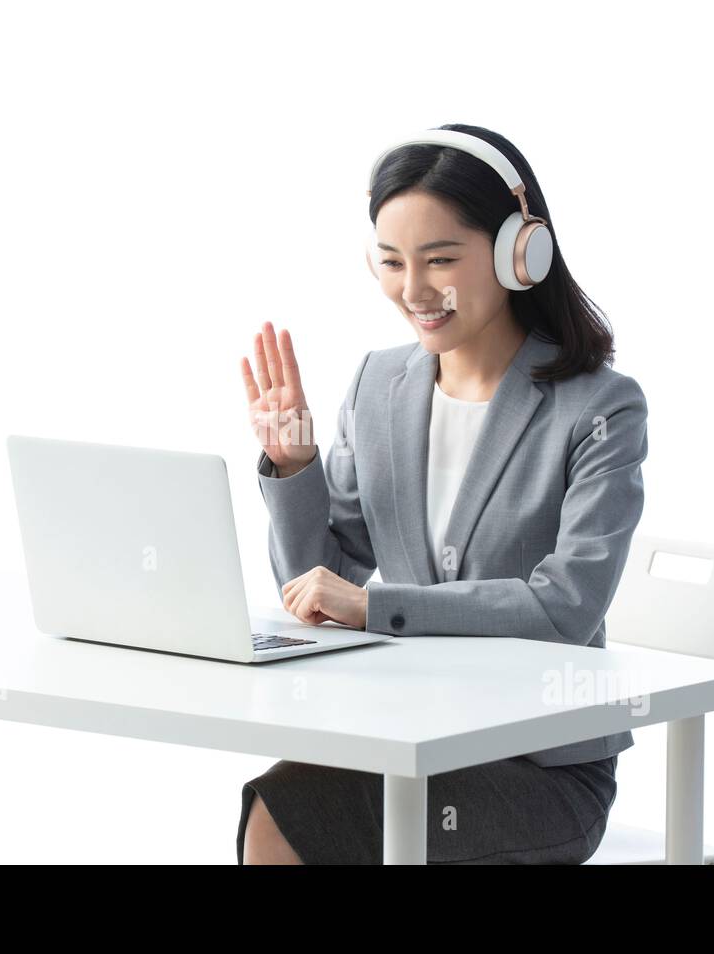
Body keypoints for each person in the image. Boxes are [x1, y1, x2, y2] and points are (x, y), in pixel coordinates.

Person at [235, 124, 647, 864]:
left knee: (293, 811)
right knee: (284, 800)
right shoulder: (378, 385)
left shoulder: (600, 407)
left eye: (441, 260)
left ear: (522, 252)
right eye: (392, 263)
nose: (414, 290)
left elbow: (565, 607)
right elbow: (321, 582)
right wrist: (295, 464)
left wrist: (381, 609)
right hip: (416, 735)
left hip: (542, 769)